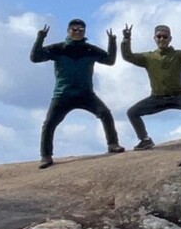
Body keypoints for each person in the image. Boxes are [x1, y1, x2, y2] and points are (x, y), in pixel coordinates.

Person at [30, 18, 123, 169]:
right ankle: (46, 156)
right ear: (68, 31)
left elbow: (110, 60)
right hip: (63, 94)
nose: (78, 32)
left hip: (85, 94)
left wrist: (112, 42)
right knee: (49, 124)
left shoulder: (90, 50)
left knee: (105, 113)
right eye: (74, 29)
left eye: (81, 30)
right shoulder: (58, 48)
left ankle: (113, 144)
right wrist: (40, 38)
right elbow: (35, 58)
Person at [121, 23, 181, 148]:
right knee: (132, 112)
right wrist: (126, 40)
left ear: (170, 39)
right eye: (159, 36)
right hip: (157, 99)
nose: (162, 39)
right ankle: (145, 140)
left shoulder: (178, 55)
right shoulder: (148, 57)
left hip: (178, 97)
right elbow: (128, 56)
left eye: (165, 37)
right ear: (154, 38)